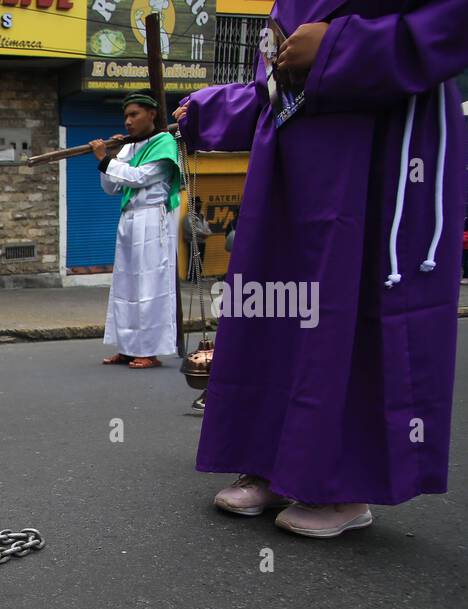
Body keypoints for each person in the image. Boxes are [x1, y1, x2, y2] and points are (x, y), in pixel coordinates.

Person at [176, 1, 467, 538]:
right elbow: (276, 94)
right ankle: (268, 462)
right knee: (276, 310)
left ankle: (342, 485)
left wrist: (338, 48)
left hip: (374, 150)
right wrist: (206, 111)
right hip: (288, 168)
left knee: (347, 313)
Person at [94, 90, 181, 370]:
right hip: (129, 218)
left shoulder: (164, 142)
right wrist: (109, 158)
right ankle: (128, 347)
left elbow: (139, 177)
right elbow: (111, 187)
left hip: (152, 219)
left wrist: (108, 161)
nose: (128, 121)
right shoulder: (129, 146)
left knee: (150, 284)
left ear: (152, 115)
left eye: (134, 115)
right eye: (126, 116)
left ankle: (150, 350)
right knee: (126, 284)